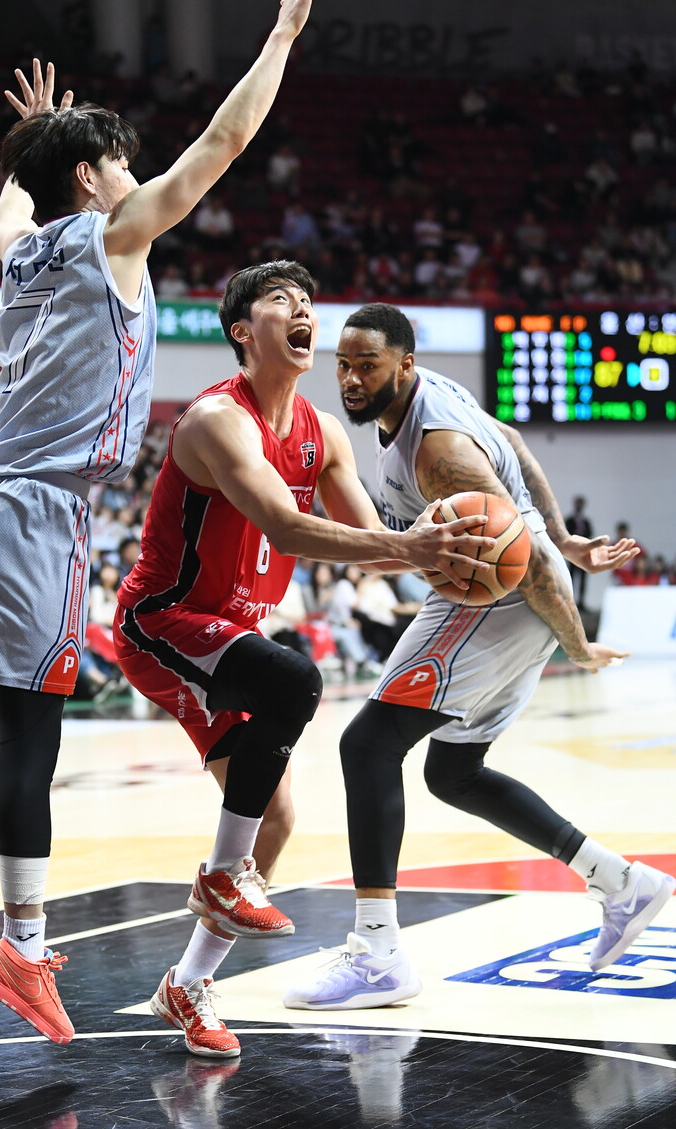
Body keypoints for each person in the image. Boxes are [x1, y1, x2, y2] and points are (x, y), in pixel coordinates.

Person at [0, 0, 323, 1045]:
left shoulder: (20, 248)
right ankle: (22, 946)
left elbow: (10, 207)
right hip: (38, 511)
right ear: (92, 183)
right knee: (30, 729)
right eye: (120, 163)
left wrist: (33, 142)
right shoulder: (110, 231)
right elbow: (221, 143)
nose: (136, 176)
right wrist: (278, 41)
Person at [113, 262, 497, 1058]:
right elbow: (289, 531)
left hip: (224, 634)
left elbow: (377, 551)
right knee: (296, 681)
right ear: (241, 333)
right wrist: (411, 541)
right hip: (165, 619)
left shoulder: (320, 431)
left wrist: (462, 551)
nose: (302, 311)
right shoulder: (218, 419)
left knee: (277, 818)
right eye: (279, 300)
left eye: (308, 302)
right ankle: (222, 878)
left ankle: (186, 984)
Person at [283, 302, 673, 1012]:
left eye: (365, 364)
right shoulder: (429, 396)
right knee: (452, 771)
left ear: (403, 363)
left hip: (505, 600)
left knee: (368, 743)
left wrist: (576, 641)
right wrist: (562, 536)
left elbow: (533, 569)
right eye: (343, 363)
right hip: (502, 590)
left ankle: (378, 953)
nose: (349, 377)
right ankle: (622, 882)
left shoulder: (440, 456)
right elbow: (514, 438)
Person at [564, 495, 593, 609]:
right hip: (572, 555)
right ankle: (570, 601)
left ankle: (581, 602)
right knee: (570, 578)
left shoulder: (586, 521)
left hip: (584, 554)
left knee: (582, 580)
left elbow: (590, 534)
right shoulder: (569, 521)